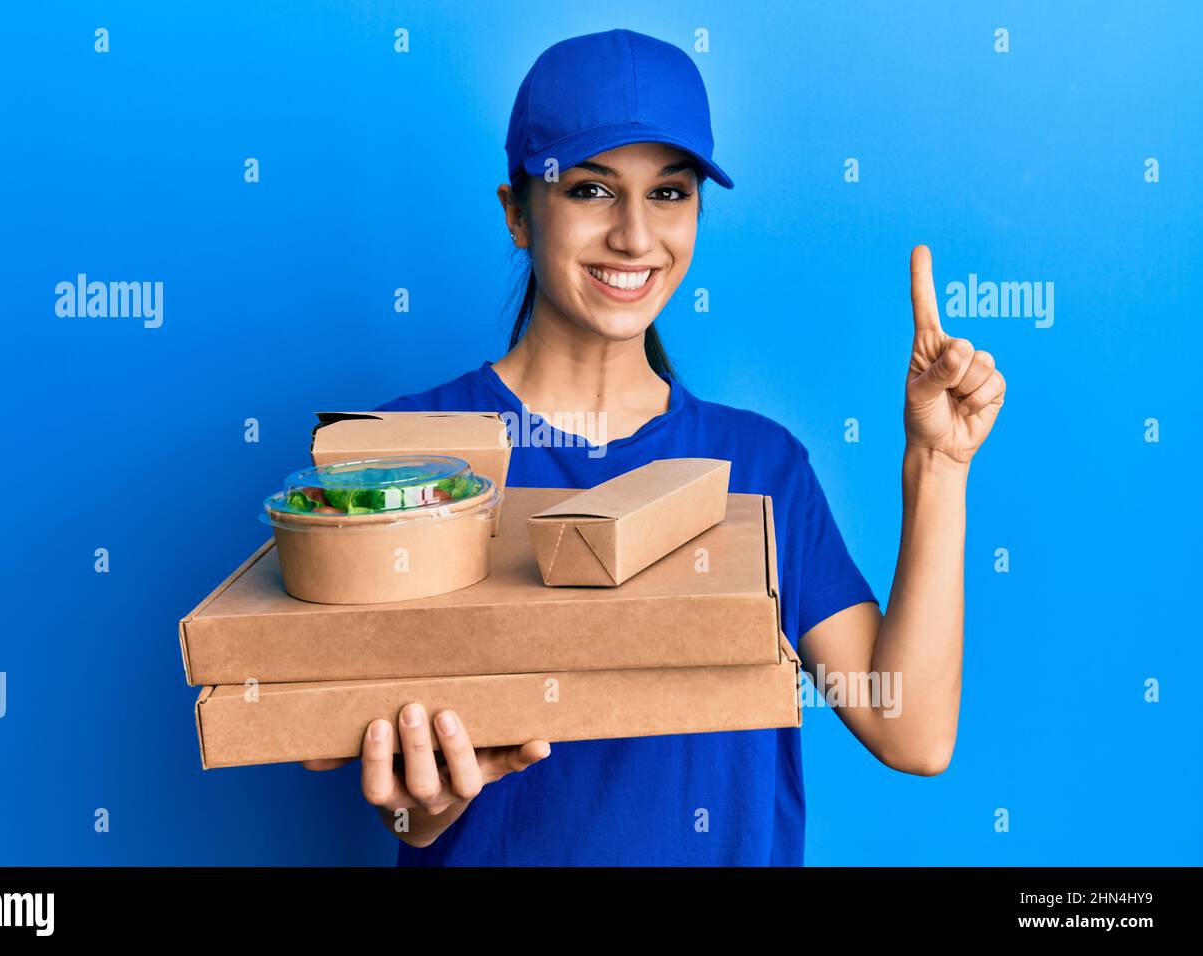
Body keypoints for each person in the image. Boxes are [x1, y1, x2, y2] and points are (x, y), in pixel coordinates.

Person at [303, 28, 1005, 866]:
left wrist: (940, 464)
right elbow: (396, 801)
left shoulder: (761, 465)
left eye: (669, 194)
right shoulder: (409, 459)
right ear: (517, 213)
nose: (635, 237)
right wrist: (422, 807)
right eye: (593, 190)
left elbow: (911, 731)